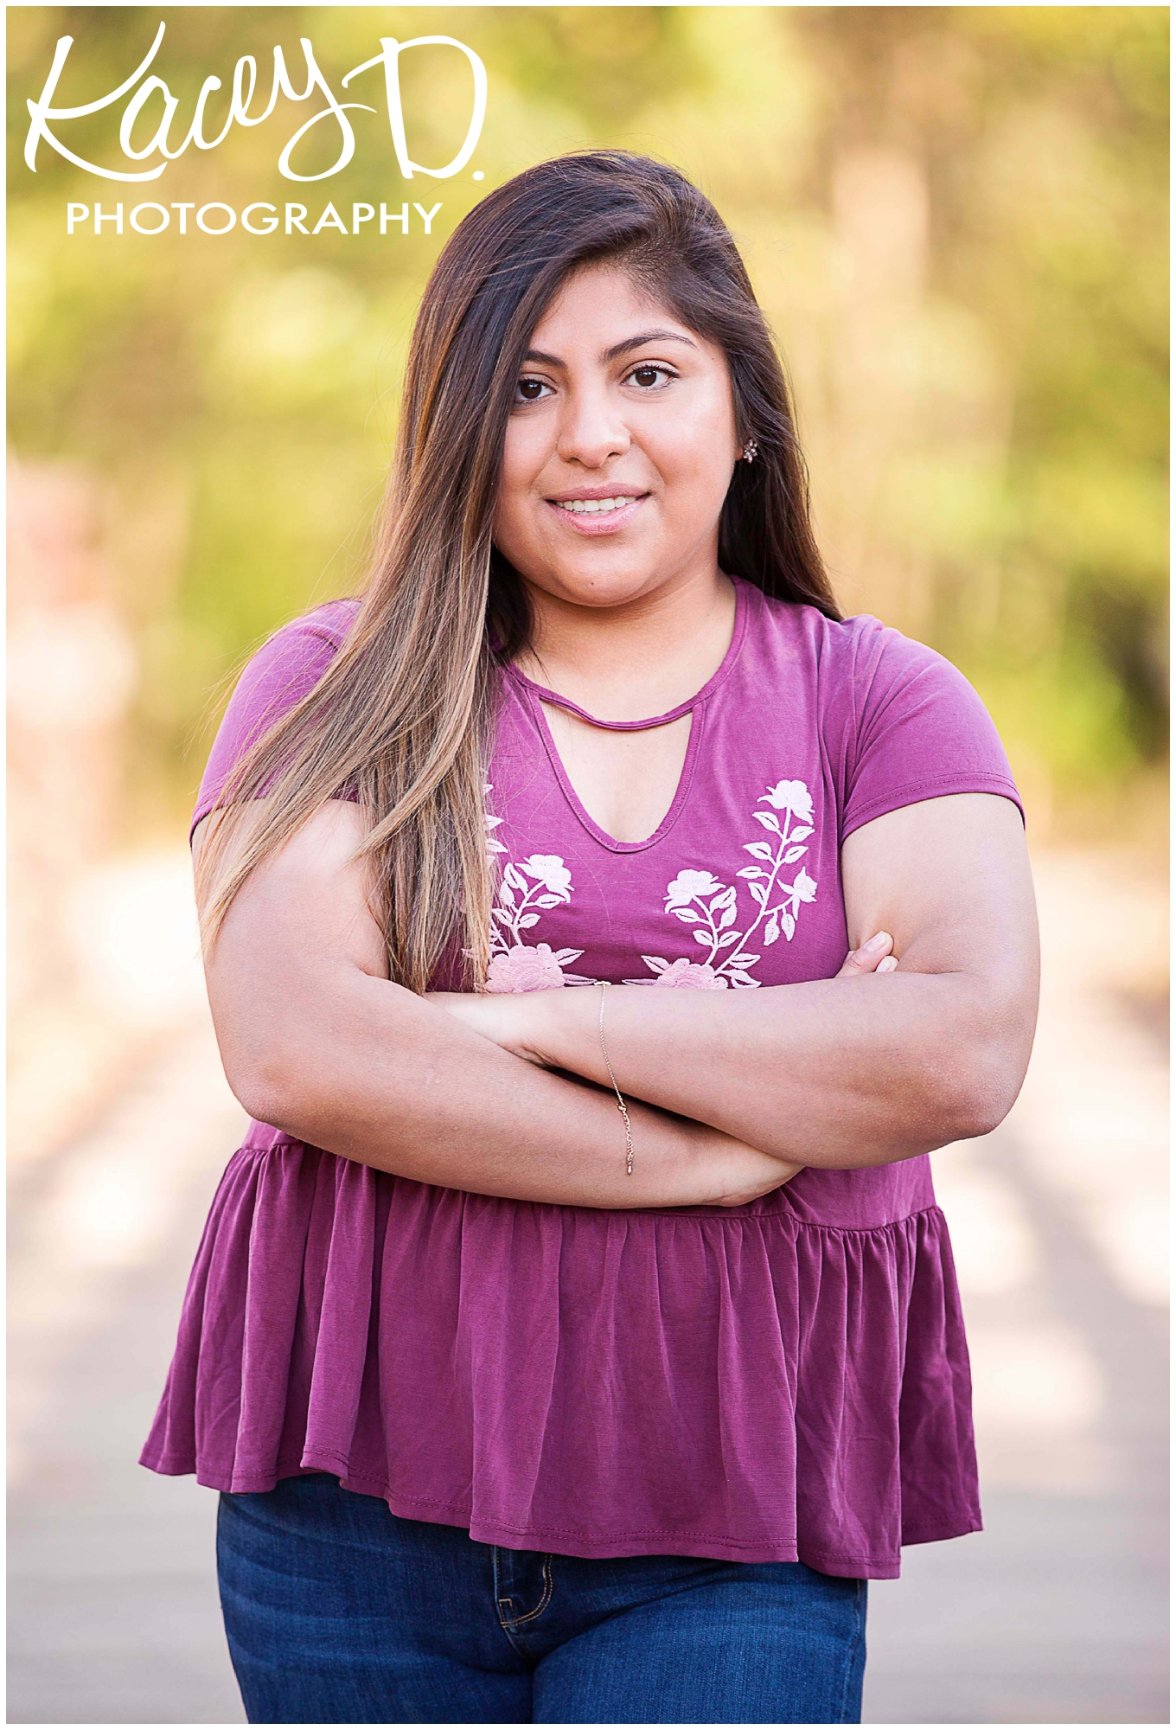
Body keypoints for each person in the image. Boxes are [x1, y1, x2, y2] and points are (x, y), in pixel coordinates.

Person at [139, 149, 1040, 1725]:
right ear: (455, 430)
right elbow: (293, 1042)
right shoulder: (330, 681)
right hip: (356, 1497)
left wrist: (500, 1023)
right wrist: (708, 1137)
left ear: (744, 411)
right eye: (528, 385)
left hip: (732, 1511)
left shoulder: (882, 703)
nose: (591, 436)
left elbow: (957, 1045)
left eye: (646, 372)